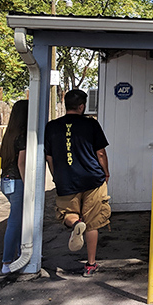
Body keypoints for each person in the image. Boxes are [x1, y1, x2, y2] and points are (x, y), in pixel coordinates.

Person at [44, 89, 110, 277]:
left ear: (66, 105)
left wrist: (56, 176)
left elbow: (49, 157)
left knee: (67, 214)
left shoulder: (52, 126)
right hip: (92, 179)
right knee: (93, 222)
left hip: (66, 180)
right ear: (82, 106)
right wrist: (106, 172)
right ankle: (90, 264)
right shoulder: (91, 124)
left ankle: (75, 224)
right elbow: (100, 153)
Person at [0, 100, 28, 275]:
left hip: (6, 180)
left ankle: (18, 255)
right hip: (17, 181)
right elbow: (22, 163)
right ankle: (7, 261)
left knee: (16, 220)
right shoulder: (23, 136)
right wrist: (28, 185)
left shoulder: (8, 134)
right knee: (15, 222)